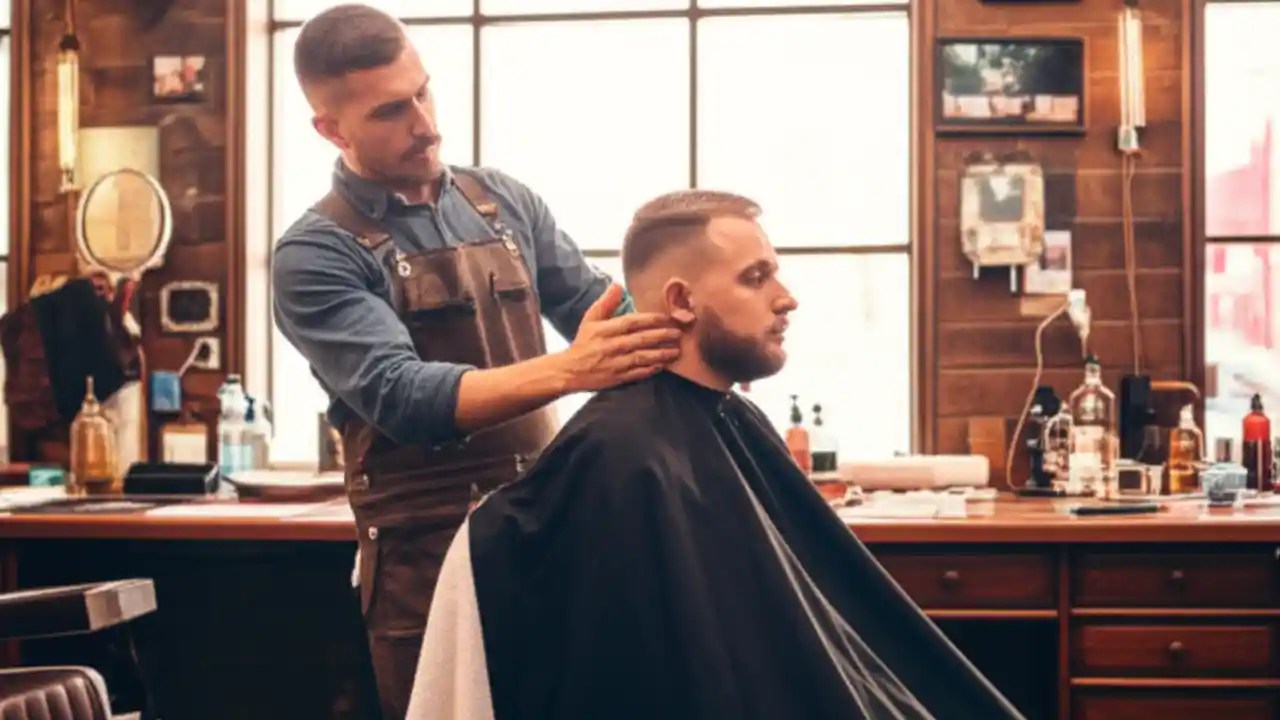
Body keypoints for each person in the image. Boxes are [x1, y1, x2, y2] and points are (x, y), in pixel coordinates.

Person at [405, 190, 1025, 720]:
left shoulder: (727, 421)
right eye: (756, 278)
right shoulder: (626, 455)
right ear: (680, 301)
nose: (786, 298)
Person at [270, 5, 680, 718]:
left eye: (423, 92)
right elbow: (405, 399)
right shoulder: (314, 255)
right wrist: (571, 370)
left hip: (547, 525)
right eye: (391, 111)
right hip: (424, 558)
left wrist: (689, 314)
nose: (425, 123)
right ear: (330, 129)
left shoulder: (502, 202)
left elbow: (597, 308)